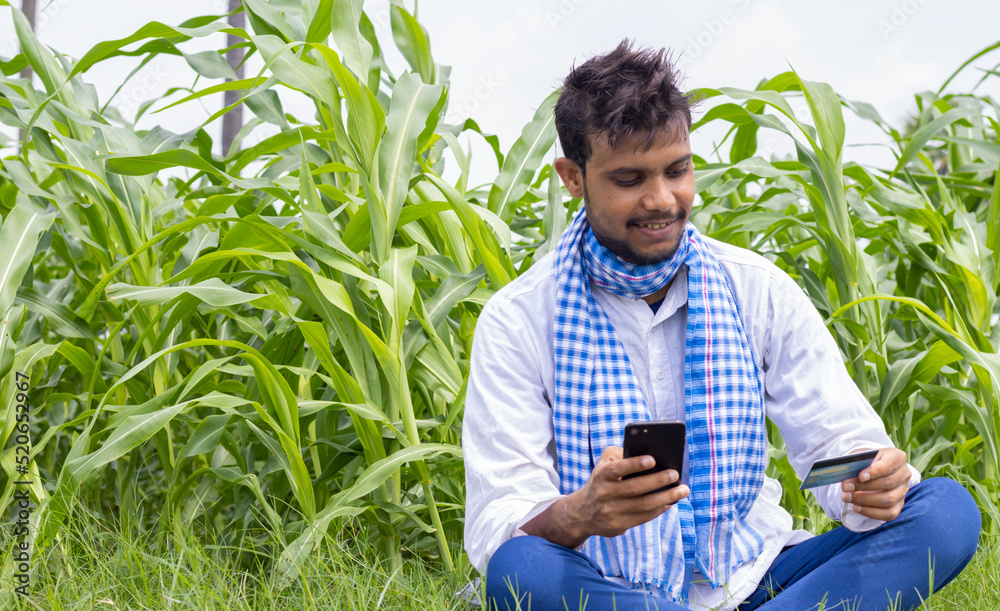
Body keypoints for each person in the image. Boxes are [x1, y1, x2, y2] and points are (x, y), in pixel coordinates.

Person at [462, 40, 981, 611]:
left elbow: (838, 443)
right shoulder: (518, 320)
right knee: (522, 568)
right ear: (572, 176)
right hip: (607, 588)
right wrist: (578, 514)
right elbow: (499, 522)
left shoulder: (755, 289)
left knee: (944, 512)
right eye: (630, 178)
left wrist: (870, 482)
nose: (663, 199)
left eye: (677, 170)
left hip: (754, 574)